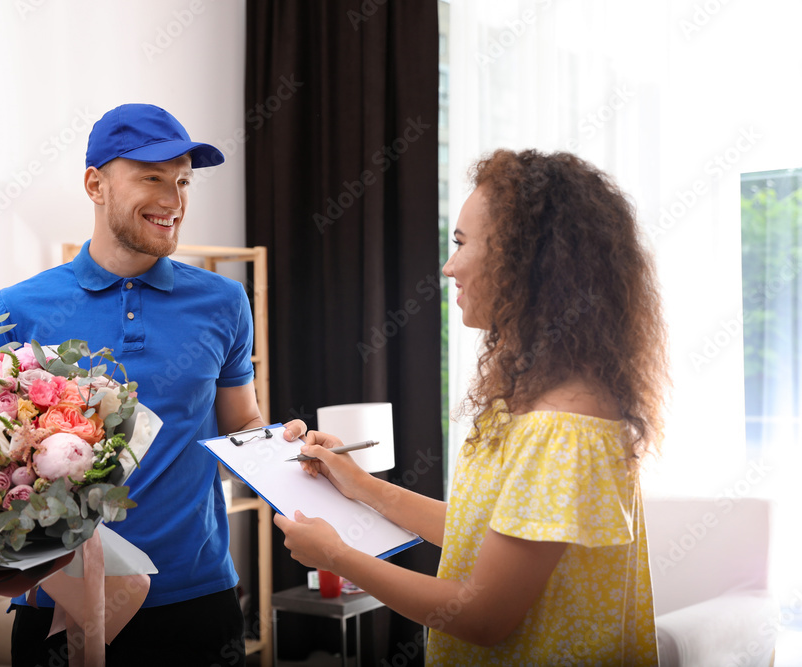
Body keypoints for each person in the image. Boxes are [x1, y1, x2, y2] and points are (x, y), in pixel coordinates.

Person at [275, 149, 669, 665]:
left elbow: (483, 617)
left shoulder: (563, 428)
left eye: (461, 244)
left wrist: (336, 555)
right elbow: (477, 534)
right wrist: (359, 484)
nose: (447, 266)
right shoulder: (534, 400)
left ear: (525, 261)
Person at [0, 103, 307, 667]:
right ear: (96, 184)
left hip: (195, 597)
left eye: (182, 180)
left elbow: (241, 423)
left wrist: (285, 447)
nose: (174, 199)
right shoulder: (18, 308)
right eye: (151, 177)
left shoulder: (224, 301)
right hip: (58, 597)